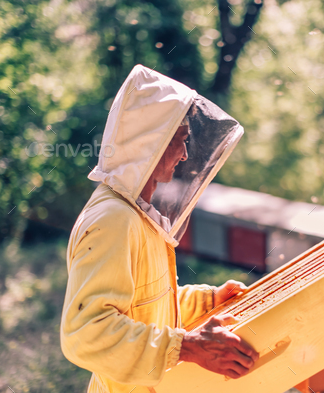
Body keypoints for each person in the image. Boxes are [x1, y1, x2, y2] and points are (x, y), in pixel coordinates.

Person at [59, 64, 259, 393]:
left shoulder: (136, 213)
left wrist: (207, 301)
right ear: (148, 143)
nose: (184, 155)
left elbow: (145, 303)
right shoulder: (113, 220)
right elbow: (86, 333)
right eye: (179, 141)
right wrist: (190, 346)